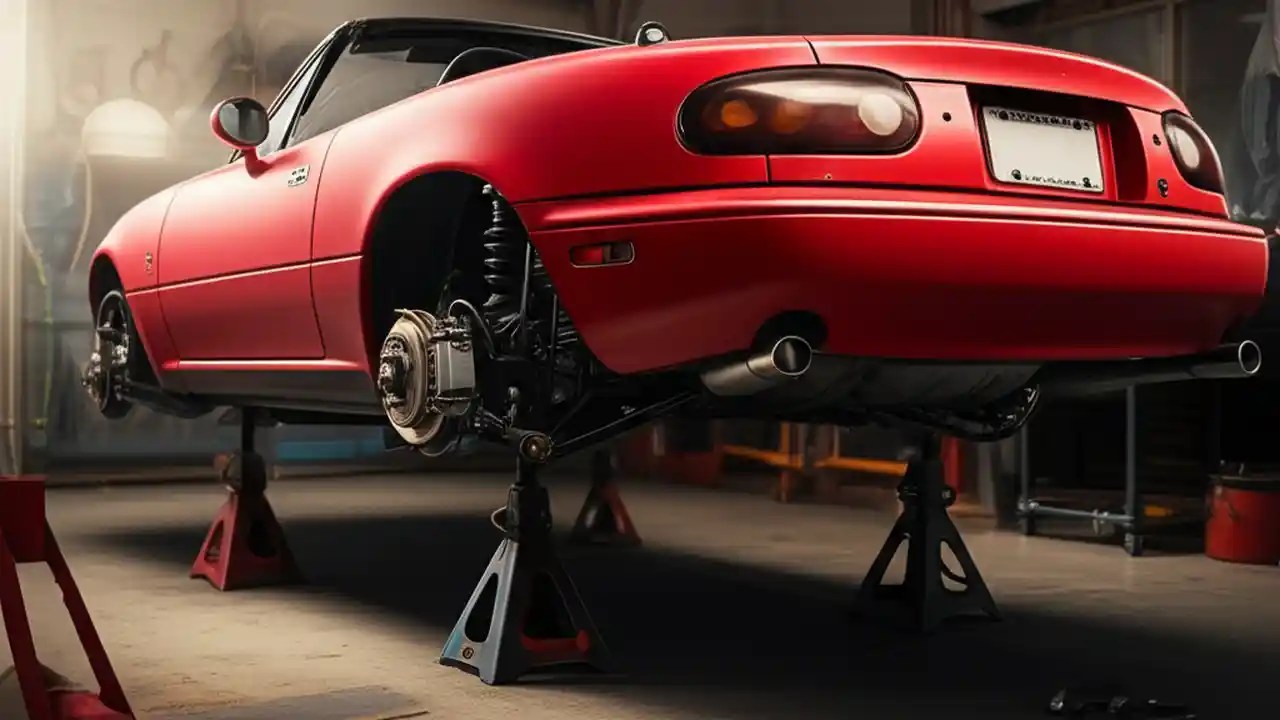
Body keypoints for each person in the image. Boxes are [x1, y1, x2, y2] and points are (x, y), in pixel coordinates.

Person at [1241, 0, 1280, 223]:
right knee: (1266, 151)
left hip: (1267, 74)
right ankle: (1264, 213)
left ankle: (1266, 212)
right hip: (1268, 75)